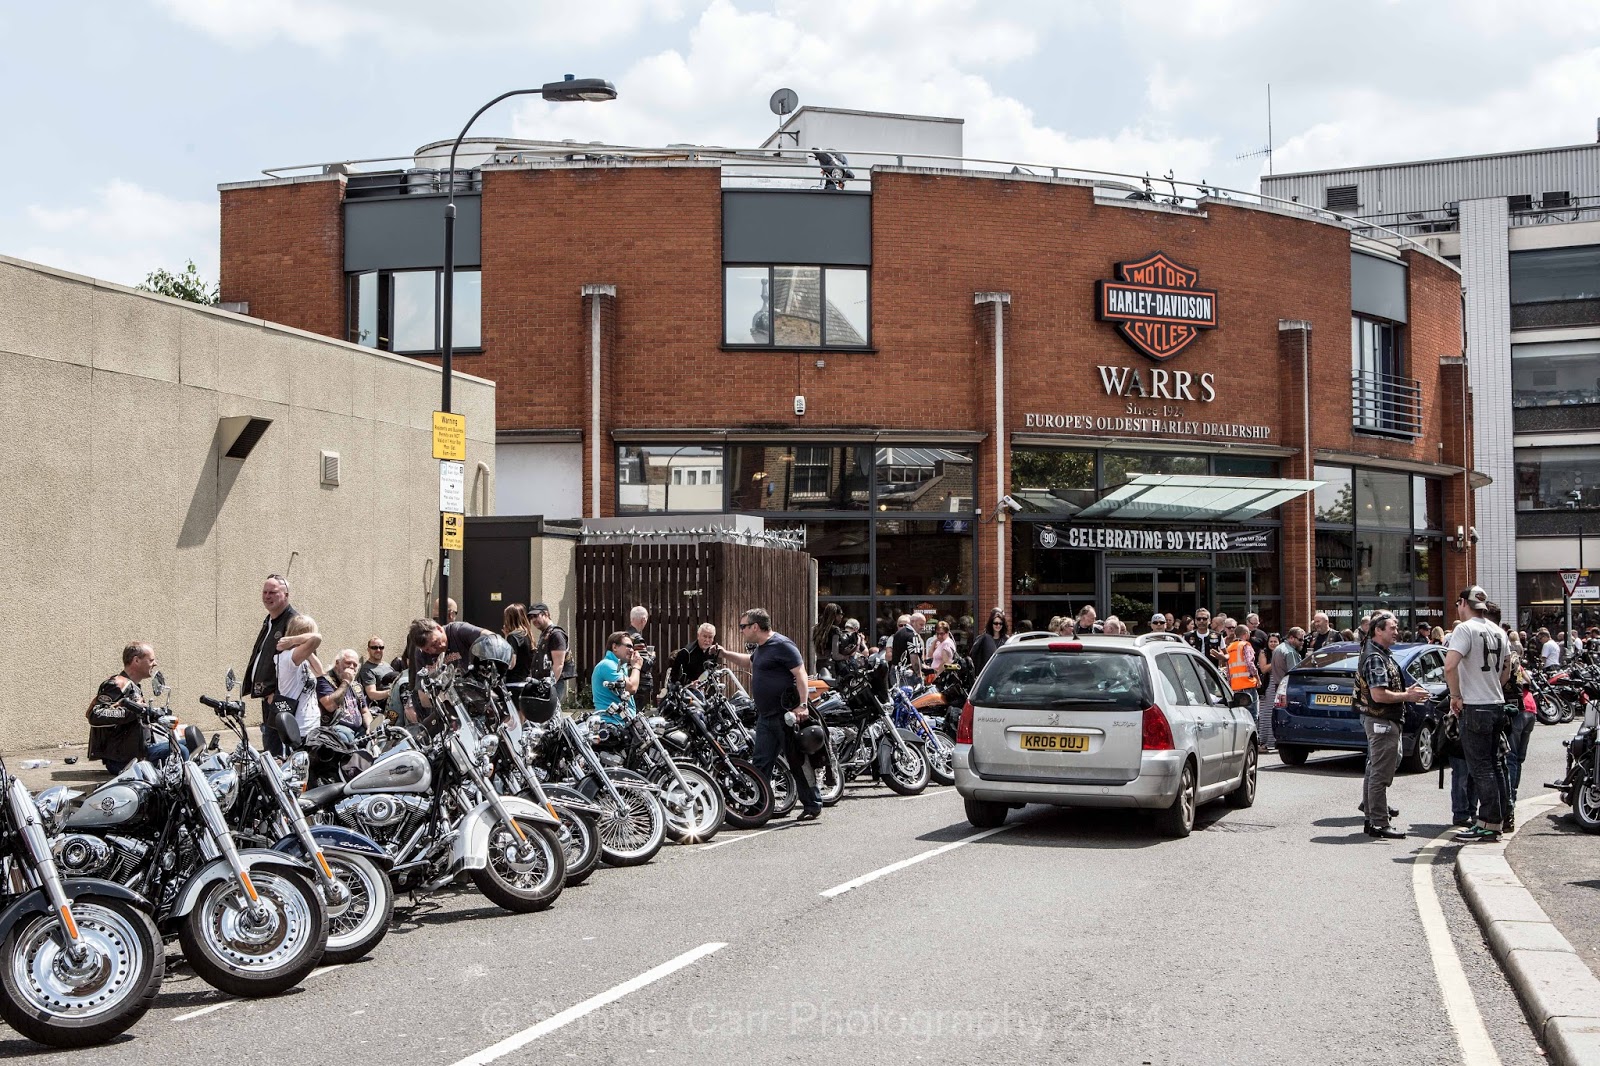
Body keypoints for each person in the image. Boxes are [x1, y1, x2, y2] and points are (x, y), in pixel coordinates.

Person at [717, 608, 820, 821]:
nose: (741, 631)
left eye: (743, 626)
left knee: (797, 761)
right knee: (761, 763)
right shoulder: (762, 648)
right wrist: (725, 654)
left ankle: (812, 804)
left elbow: (800, 674)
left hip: (786, 715)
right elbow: (750, 662)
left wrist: (802, 705)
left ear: (755, 626)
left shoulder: (782, 645)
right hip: (766, 717)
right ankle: (759, 808)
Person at [1355, 611, 1431, 839]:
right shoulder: (1375, 658)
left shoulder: (1379, 653)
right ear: (1378, 630)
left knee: (1375, 771)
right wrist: (1407, 695)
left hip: (1383, 720)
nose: (1397, 632)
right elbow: (1379, 695)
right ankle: (1379, 822)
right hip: (1382, 720)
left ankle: (1373, 819)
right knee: (1380, 773)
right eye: (1392, 628)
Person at [1445, 587, 1512, 843]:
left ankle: (1488, 823)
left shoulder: (1464, 629)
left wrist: (1455, 695)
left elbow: (1449, 665)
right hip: (1496, 703)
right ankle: (1500, 818)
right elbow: (1506, 671)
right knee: (1494, 766)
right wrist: (1491, 684)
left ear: (1463, 603)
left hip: (1474, 706)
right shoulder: (1498, 630)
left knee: (1480, 768)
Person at [1488, 603, 1533, 831]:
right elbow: (1527, 681)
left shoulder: (1496, 644)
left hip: (1511, 710)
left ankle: (1507, 806)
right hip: (1527, 708)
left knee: (1506, 761)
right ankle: (1510, 802)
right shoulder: (1512, 650)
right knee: (1514, 760)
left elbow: (1502, 678)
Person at [244, 573, 298, 757]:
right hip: (268, 697)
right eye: (265, 592)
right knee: (270, 746)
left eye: (273, 592)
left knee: (279, 752)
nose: (267, 596)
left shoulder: (293, 621)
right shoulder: (269, 620)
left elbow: (303, 660)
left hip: (281, 698)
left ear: (286, 595)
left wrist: (278, 693)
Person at [87, 642, 157, 773]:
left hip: (138, 754)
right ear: (136, 660)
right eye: (151, 660)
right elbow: (95, 715)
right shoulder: (117, 684)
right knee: (182, 751)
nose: (155, 663)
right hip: (122, 760)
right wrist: (134, 712)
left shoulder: (133, 687)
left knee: (185, 746)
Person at [275, 614, 326, 741]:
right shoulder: (288, 658)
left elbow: (320, 672)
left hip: (312, 726)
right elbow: (317, 638)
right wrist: (294, 641)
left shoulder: (303, 658)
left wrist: (305, 648)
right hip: (299, 728)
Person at [1263, 628, 1304, 754]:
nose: (1302, 642)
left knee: (1277, 715)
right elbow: (1294, 674)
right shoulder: (1290, 652)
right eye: (1300, 639)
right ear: (1291, 638)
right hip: (1287, 689)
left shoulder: (1278, 648)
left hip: (1278, 686)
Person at [321, 648, 371, 741]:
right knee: (346, 737)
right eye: (348, 663)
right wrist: (346, 681)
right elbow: (330, 706)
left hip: (358, 730)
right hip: (336, 728)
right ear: (337, 663)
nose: (352, 667)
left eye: (355, 665)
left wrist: (370, 727)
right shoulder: (325, 680)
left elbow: (365, 711)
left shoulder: (356, 686)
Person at [531, 603, 575, 706]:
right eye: (531, 617)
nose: (533, 620)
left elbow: (558, 664)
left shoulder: (556, 634)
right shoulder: (546, 633)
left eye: (536, 616)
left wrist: (549, 686)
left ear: (546, 614)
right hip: (543, 683)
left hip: (553, 684)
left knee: (551, 717)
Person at [592, 631, 644, 716]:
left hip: (623, 722)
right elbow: (632, 687)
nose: (632, 650)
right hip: (611, 723)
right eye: (628, 646)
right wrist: (637, 667)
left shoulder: (620, 666)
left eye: (632, 647)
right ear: (615, 647)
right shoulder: (607, 665)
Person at [1225, 623, 1259, 719]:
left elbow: (1228, 670)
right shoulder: (1245, 645)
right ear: (1245, 634)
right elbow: (1250, 664)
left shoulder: (1229, 647)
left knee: (1240, 718)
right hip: (1248, 686)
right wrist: (1258, 679)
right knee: (1252, 716)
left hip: (1235, 688)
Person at [625, 606, 656, 709]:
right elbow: (644, 665)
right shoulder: (637, 639)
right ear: (643, 619)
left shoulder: (625, 636)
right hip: (639, 684)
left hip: (627, 679)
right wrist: (652, 656)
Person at [357, 635, 395, 712]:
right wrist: (392, 692)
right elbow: (372, 694)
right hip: (386, 704)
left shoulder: (387, 665)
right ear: (368, 650)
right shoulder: (367, 669)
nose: (378, 650)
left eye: (381, 647)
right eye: (374, 648)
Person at [812, 602, 848, 679]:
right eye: (841, 614)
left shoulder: (816, 629)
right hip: (830, 664)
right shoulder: (835, 630)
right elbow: (835, 655)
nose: (841, 617)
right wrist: (846, 657)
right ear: (835, 615)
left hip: (819, 663)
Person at [503, 603, 535, 684]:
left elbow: (511, 664)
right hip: (526, 681)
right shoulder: (528, 635)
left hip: (514, 682)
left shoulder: (513, 636)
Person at [971, 609, 1008, 674]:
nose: (998, 625)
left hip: (1002, 672)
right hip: (987, 672)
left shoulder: (1006, 639)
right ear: (991, 624)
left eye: (1000, 623)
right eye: (996, 623)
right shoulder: (984, 638)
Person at [889, 614, 924, 683]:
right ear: (913, 622)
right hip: (907, 674)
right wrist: (919, 675)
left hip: (895, 671)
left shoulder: (898, 633)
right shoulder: (912, 636)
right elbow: (914, 658)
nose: (923, 627)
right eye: (921, 624)